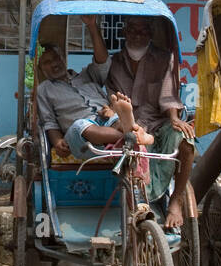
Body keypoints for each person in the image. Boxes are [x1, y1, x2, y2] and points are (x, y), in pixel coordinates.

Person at [106, 16, 195, 229]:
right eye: (133, 30)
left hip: (158, 121)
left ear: (151, 34)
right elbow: (109, 98)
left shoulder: (165, 58)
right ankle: (140, 203)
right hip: (129, 123)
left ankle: (176, 201)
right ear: (125, 32)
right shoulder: (114, 62)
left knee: (185, 141)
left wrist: (174, 119)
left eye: (143, 31)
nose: (138, 35)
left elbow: (168, 93)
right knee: (130, 138)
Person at [36, 14, 153, 159]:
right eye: (47, 62)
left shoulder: (87, 75)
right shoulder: (45, 89)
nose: (54, 63)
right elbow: (49, 121)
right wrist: (57, 141)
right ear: (41, 69)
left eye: (55, 58)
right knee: (81, 125)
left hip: (106, 120)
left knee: (114, 119)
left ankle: (128, 132)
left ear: (63, 58)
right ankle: (133, 138)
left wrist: (92, 26)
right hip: (80, 135)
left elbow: (103, 61)